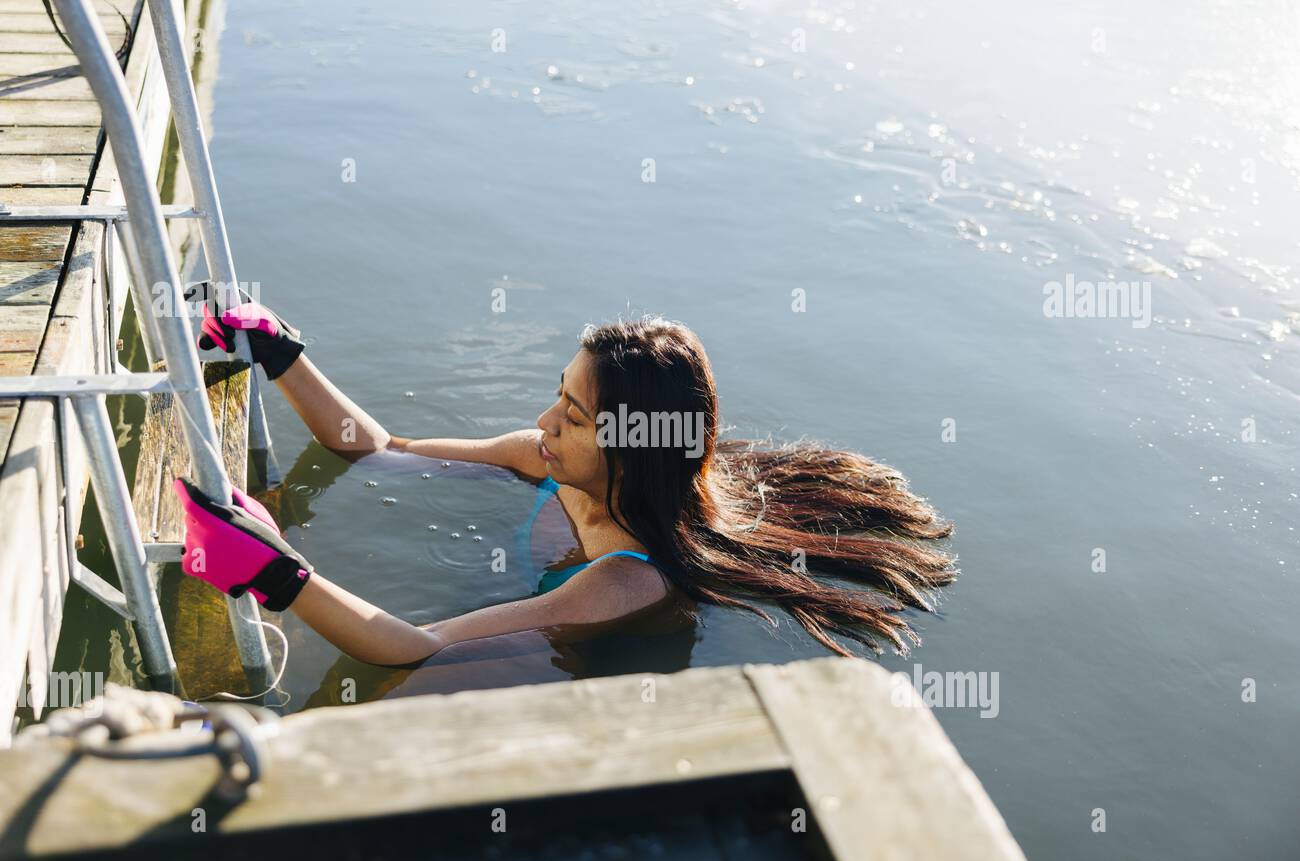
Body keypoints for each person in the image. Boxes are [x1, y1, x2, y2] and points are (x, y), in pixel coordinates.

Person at [176, 289, 958, 667]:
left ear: (628, 449)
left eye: (573, 416)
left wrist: (277, 573)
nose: (546, 422)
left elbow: (413, 648)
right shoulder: (542, 457)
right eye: (559, 394)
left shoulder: (622, 587)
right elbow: (382, 451)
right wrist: (280, 351)